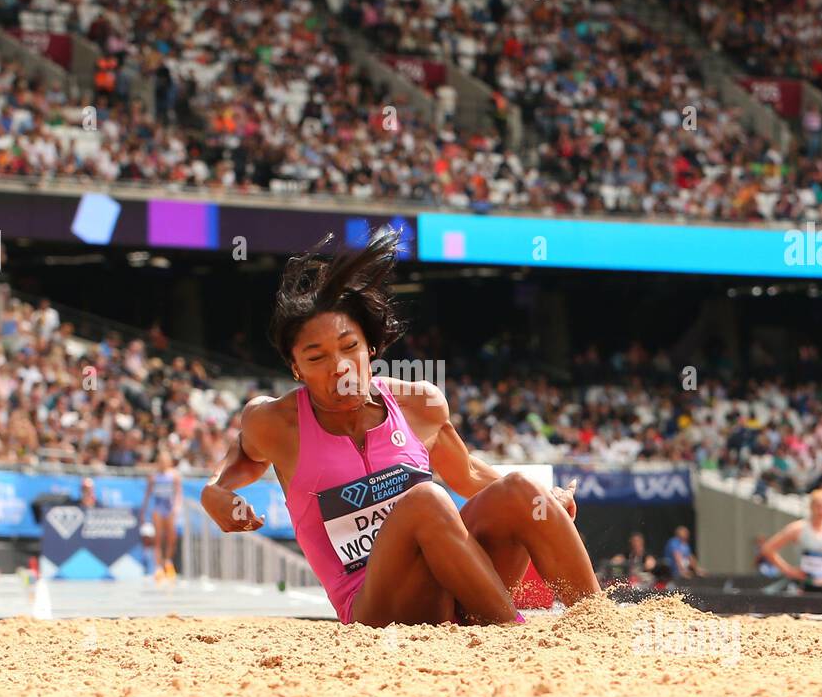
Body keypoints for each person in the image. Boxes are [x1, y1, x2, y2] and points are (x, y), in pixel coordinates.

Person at [200, 231, 599, 626]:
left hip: (456, 588)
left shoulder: (417, 404)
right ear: (295, 368)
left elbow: (471, 474)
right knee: (426, 501)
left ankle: (603, 626)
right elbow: (246, 454)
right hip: (373, 609)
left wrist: (542, 501)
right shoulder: (276, 422)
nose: (339, 366)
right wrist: (215, 490)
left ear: (370, 347)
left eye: (349, 347)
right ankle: (513, 633)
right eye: (316, 356)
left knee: (520, 490)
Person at [140, 448, 183, 581]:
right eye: (161, 461)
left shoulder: (174, 475)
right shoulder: (154, 477)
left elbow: (178, 494)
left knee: (171, 537)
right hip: (158, 508)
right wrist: (143, 511)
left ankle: (168, 561)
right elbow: (148, 495)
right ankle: (158, 567)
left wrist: (177, 507)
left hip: (169, 508)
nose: (163, 463)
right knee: (157, 538)